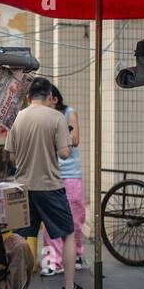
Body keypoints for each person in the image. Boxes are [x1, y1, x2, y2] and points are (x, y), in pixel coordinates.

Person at [5, 77, 92, 289]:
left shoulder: (19, 117)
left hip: (23, 187)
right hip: (50, 186)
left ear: (28, 96)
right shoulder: (56, 117)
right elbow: (64, 153)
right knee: (68, 234)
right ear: (49, 96)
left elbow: (12, 156)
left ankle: (9, 288)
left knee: (19, 238)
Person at [39, 85, 84, 276]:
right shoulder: (41, 117)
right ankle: (53, 261)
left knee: (75, 220)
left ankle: (77, 254)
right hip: (49, 175)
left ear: (54, 98)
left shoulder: (68, 112)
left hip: (71, 174)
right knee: (51, 223)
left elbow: (75, 140)